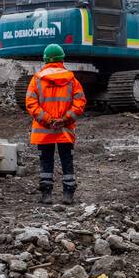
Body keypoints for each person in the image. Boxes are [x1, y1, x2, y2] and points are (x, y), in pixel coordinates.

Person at [25, 43, 86, 204]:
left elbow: (31, 103)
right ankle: (68, 194)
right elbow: (80, 102)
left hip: (44, 131)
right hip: (65, 129)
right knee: (67, 160)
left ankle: (46, 194)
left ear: (45, 59)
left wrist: (48, 120)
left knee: (46, 160)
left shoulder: (37, 79)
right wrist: (65, 119)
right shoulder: (71, 80)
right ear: (62, 59)